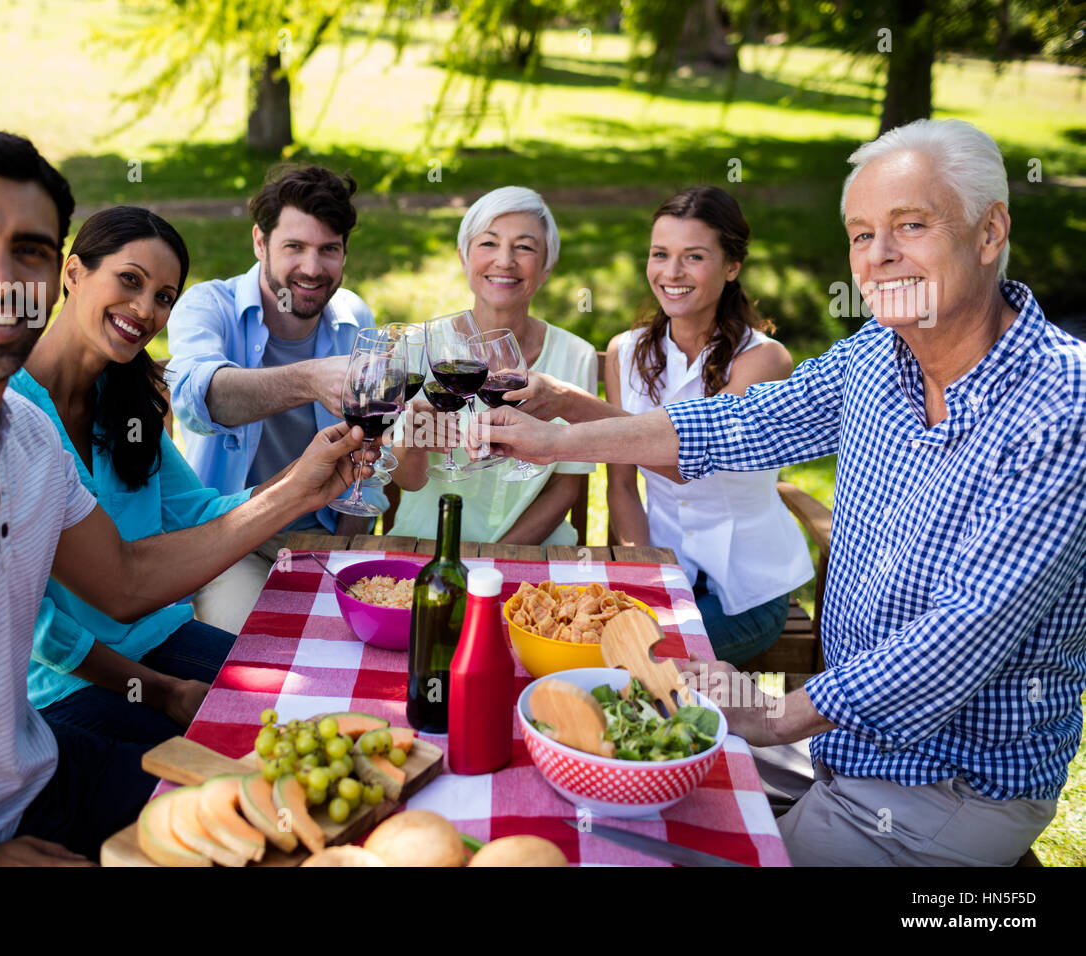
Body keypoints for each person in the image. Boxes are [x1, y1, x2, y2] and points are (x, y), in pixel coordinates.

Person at [474, 119, 1086, 866]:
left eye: (911, 225)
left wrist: (773, 714)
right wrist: (563, 439)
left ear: (990, 233)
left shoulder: (1063, 404)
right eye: (862, 235)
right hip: (845, 745)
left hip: (942, 788)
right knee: (590, 794)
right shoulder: (877, 354)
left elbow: (963, 635)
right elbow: (737, 425)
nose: (880, 256)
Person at [0, 129, 364, 864]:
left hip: (41, 771)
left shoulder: (27, 433)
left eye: (26, 249)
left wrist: (303, 484)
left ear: (51, 267)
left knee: (288, 813)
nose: (0, 276)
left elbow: (125, 583)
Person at [508, 187, 813, 665]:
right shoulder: (626, 352)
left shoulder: (764, 359)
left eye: (694, 257)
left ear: (732, 266)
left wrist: (572, 404)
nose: (672, 273)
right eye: (660, 254)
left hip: (747, 593)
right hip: (665, 576)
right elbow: (624, 488)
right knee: (569, 637)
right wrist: (644, 577)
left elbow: (687, 464)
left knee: (625, 656)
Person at [12, 205, 255, 747]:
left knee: (291, 706)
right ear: (73, 274)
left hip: (156, 638)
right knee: (216, 768)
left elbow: (196, 512)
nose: (145, 309)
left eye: (164, 296)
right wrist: (162, 691)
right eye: (130, 281)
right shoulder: (6, 410)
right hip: (59, 683)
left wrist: (309, 476)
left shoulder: (125, 400)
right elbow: (32, 625)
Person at [167, 164, 383, 634]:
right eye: (295, 247)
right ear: (260, 244)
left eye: (329, 250)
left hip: (326, 538)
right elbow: (200, 400)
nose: (312, 268)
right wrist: (310, 378)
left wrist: (346, 549)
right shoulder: (209, 307)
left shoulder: (355, 317)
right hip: (231, 539)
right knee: (253, 651)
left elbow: (371, 452)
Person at [388, 186, 597, 546]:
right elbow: (404, 479)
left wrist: (496, 558)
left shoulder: (576, 354)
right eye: (488, 243)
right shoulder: (417, 347)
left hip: (536, 554)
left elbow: (566, 487)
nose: (505, 260)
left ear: (547, 267)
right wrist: (415, 443)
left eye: (525, 247)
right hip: (428, 547)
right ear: (463, 257)